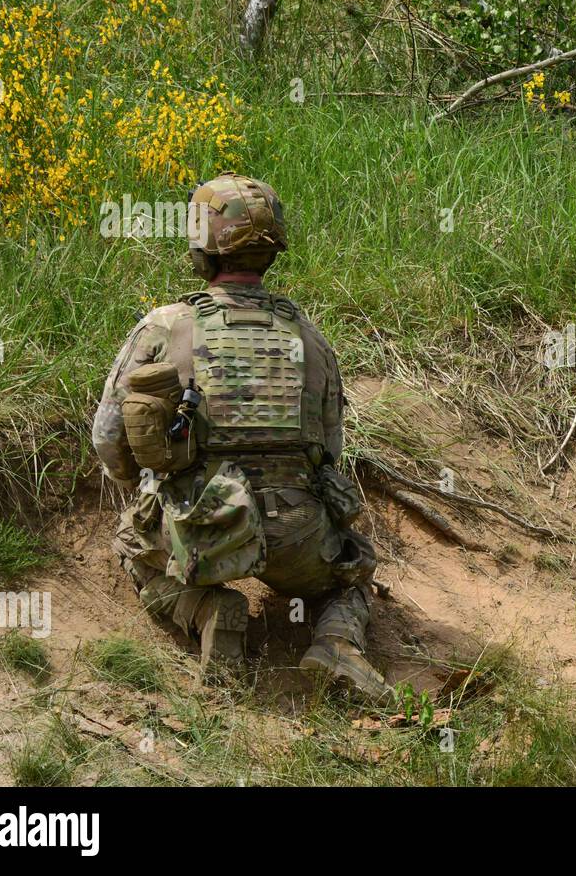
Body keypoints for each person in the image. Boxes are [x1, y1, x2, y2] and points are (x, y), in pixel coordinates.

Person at [92, 172, 388, 694]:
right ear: (271, 251)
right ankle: (336, 644)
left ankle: (207, 608)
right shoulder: (309, 335)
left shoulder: (164, 325)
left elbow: (109, 440)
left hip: (202, 528)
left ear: (201, 247)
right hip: (296, 531)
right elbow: (329, 450)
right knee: (352, 570)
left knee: (130, 541)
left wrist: (141, 485)